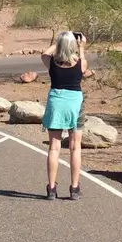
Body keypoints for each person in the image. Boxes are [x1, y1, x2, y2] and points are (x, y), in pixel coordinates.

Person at [41, 31, 89, 201]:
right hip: (74, 105)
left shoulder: (51, 63)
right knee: (75, 147)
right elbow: (83, 65)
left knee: (54, 147)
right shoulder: (79, 64)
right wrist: (81, 47)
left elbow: (45, 54)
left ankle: (52, 188)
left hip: (56, 104)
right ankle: (74, 188)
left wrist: (58, 42)